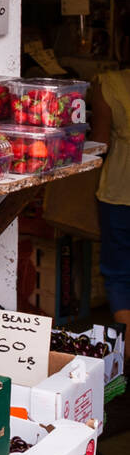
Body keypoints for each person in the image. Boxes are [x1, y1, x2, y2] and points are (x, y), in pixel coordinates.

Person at [89, 70, 130, 328]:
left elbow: (99, 143)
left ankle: (128, 348)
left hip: (119, 189)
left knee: (119, 272)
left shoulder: (111, 83)